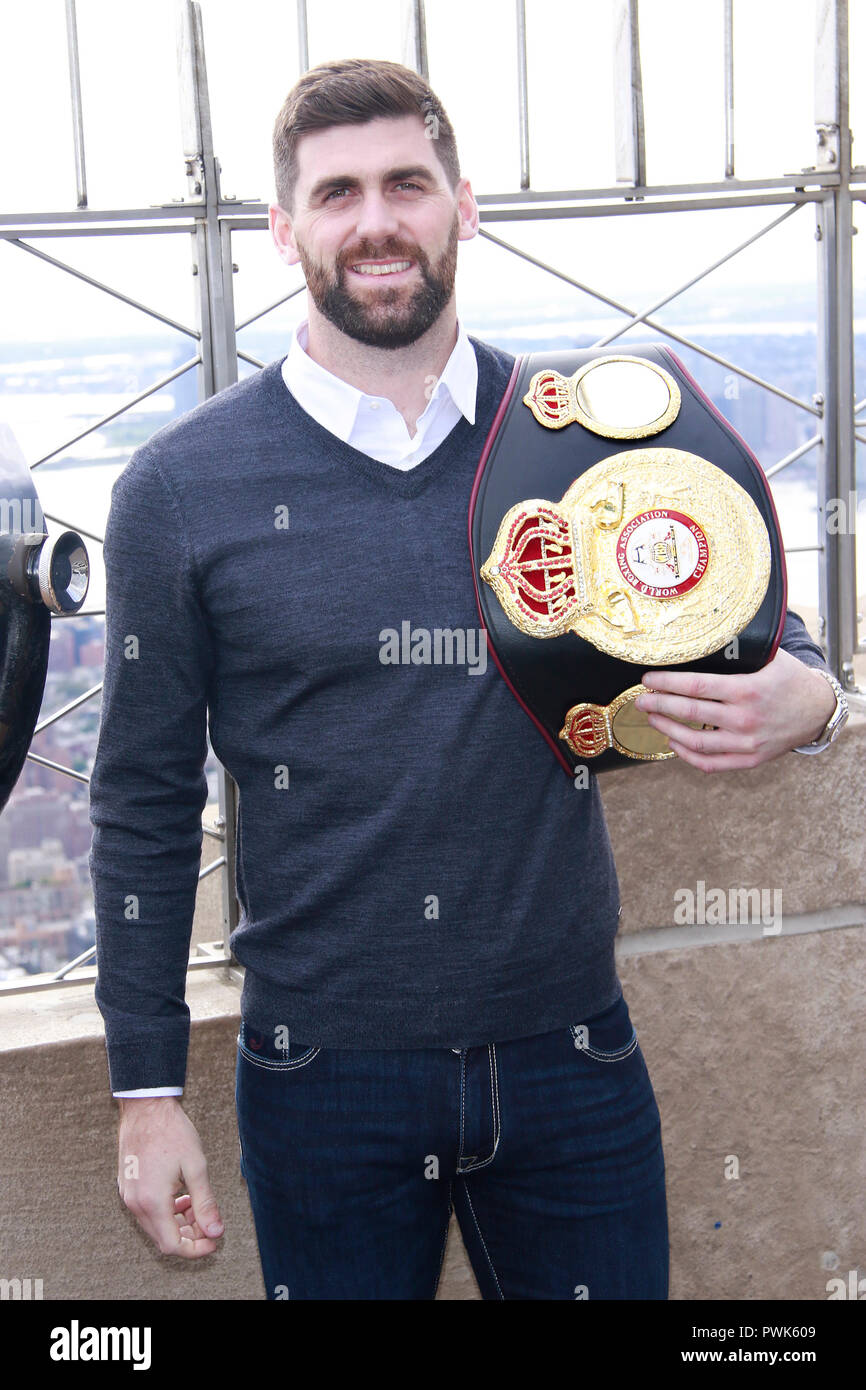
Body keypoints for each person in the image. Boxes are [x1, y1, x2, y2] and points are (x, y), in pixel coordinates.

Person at [90, 57, 843, 1301]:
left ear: (462, 206)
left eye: (407, 183)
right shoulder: (176, 491)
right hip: (318, 1074)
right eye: (336, 194)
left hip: (571, 1051)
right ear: (282, 231)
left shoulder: (586, 433)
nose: (375, 220)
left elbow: (763, 630)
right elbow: (142, 800)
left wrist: (810, 704)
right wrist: (146, 1092)